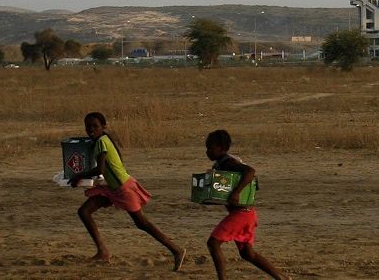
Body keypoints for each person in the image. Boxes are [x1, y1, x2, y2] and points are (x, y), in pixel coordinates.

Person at [70, 112, 186, 271]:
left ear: (103, 127)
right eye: (88, 126)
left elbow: (101, 168)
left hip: (123, 189)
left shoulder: (102, 142)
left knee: (142, 223)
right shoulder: (102, 140)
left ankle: (177, 250)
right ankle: (102, 252)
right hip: (113, 188)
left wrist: (79, 176)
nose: (91, 129)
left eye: (95, 126)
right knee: (84, 211)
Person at [205, 129, 288, 279]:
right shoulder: (221, 163)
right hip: (247, 213)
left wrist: (237, 192)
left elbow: (250, 171)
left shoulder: (228, 162)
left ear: (221, 148)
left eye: (210, 148)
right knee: (247, 254)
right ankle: (281, 277)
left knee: (213, 243)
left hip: (241, 214)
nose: (207, 151)